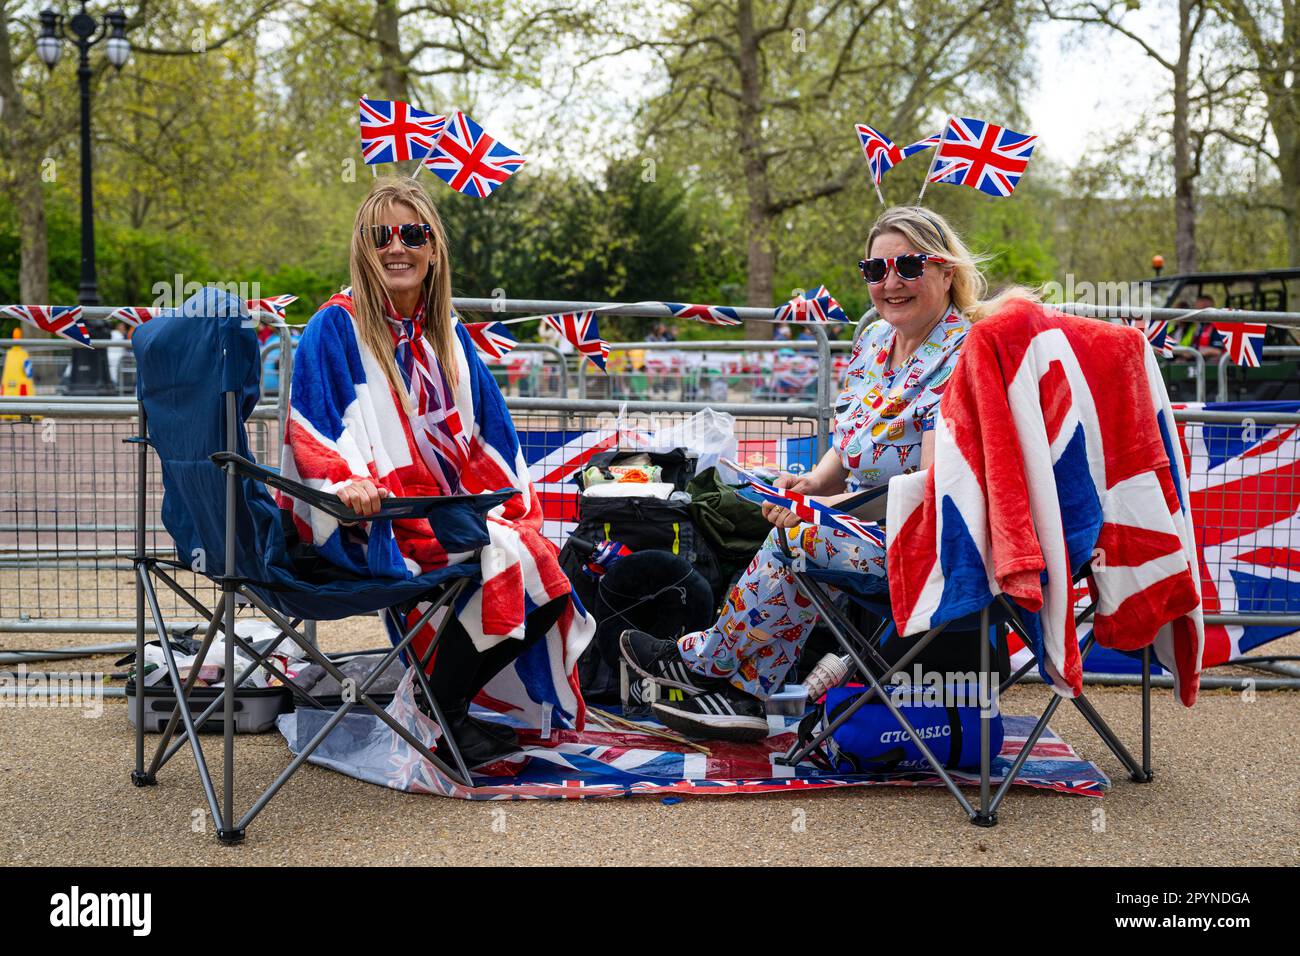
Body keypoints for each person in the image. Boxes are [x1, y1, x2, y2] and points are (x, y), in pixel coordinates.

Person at [620, 205, 1037, 741]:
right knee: (777, 515)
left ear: (946, 271)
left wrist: (827, 511)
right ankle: (740, 692)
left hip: (936, 542)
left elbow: (937, 489)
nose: (891, 283)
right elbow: (852, 444)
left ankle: (706, 666)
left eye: (909, 266)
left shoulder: (965, 353)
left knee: (801, 532)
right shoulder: (872, 344)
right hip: (872, 527)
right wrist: (813, 484)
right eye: (875, 270)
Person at [277, 178, 592, 767]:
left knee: (541, 564)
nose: (398, 248)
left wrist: (505, 503)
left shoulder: (445, 334)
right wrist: (347, 483)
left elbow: (490, 434)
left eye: (413, 234)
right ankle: (438, 710)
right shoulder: (335, 326)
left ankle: (444, 707)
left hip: (438, 512)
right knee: (507, 561)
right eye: (382, 236)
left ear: (433, 248)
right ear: (363, 249)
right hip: (367, 521)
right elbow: (313, 427)